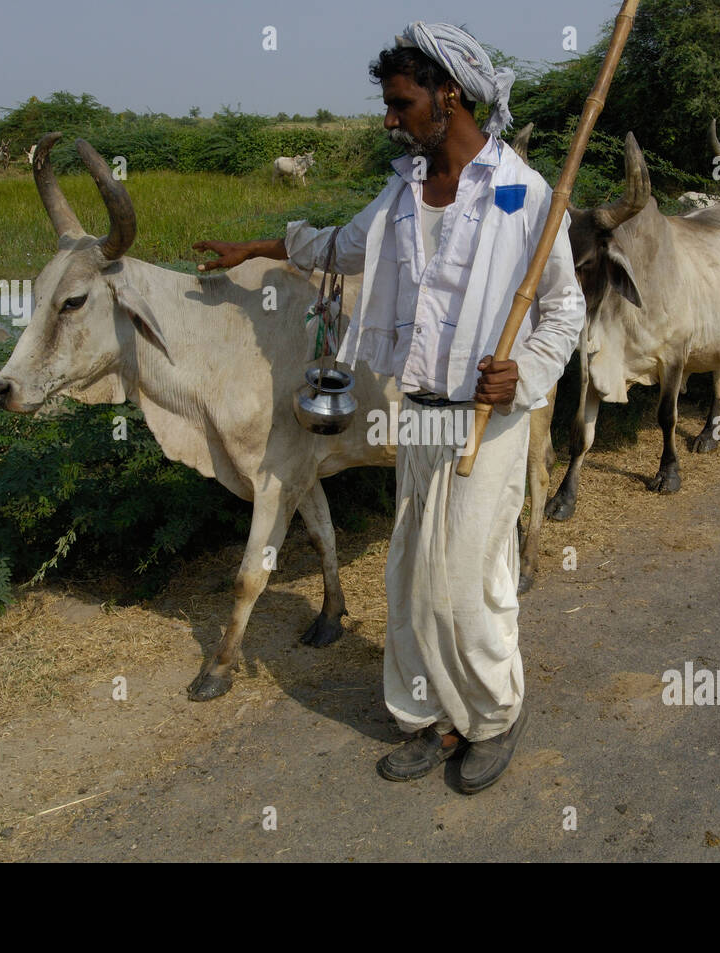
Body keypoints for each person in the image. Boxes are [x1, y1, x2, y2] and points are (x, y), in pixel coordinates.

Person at [194, 22, 584, 794]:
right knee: (409, 574)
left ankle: (495, 714)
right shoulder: (405, 189)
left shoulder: (523, 191)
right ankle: (428, 717)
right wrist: (260, 249)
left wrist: (527, 371)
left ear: (450, 94)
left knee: (466, 579)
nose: (389, 120)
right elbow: (344, 245)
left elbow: (564, 309)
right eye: (388, 105)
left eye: (401, 103)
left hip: (489, 416)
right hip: (423, 412)